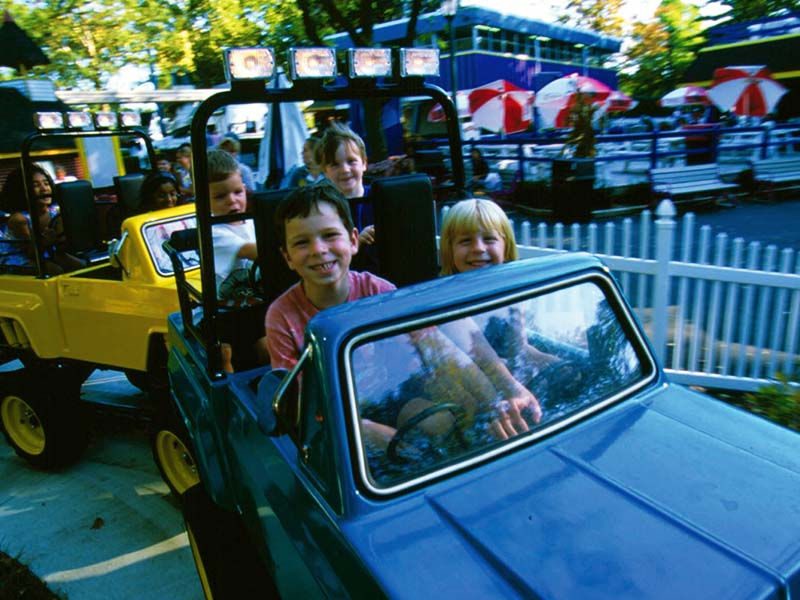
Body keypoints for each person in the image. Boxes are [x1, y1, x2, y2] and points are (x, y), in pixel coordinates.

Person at [439, 198, 558, 427]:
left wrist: (555, 362)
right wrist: (511, 389)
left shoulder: (510, 295)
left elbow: (520, 349)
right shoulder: (447, 298)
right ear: (449, 249)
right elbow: (475, 353)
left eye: (489, 239)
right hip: (471, 399)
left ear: (506, 245)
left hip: (513, 392)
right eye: (465, 241)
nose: (479, 248)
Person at [0, 165, 83, 274]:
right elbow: (31, 253)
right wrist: (46, 242)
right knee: (55, 270)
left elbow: (61, 244)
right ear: (22, 191)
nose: (44, 189)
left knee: (80, 265)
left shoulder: (55, 212)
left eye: (46, 183)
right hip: (19, 258)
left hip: (48, 252)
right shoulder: (19, 219)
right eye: (36, 185)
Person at [207, 149, 257, 304]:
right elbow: (253, 251)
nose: (232, 200)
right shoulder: (213, 232)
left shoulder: (251, 222)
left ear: (244, 188)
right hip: (231, 309)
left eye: (237, 192)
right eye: (220, 196)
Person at [315, 122, 375, 246]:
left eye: (351, 161)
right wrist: (355, 243)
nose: (345, 170)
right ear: (325, 171)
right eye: (335, 164)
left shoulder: (380, 198)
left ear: (364, 163)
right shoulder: (323, 208)